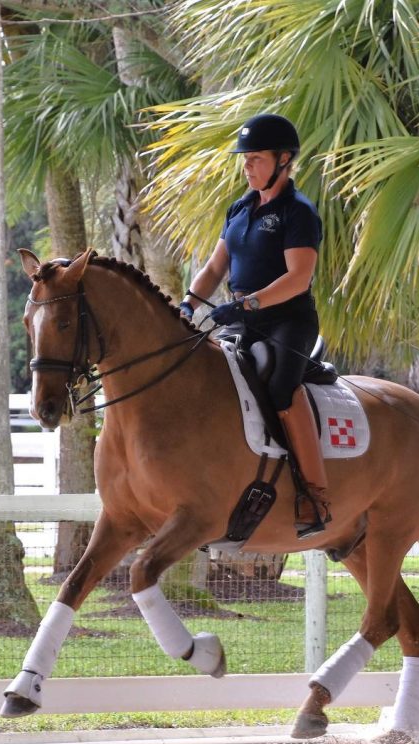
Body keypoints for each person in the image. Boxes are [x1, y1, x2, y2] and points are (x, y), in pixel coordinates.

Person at [180, 113, 330, 538]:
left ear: (284, 160)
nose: (248, 166)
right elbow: (214, 266)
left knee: (281, 389)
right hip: (241, 319)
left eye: (256, 159)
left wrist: (247, 304)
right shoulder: (240, 208)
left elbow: (298, 277)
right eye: (245, 160)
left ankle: (315, 495)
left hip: (287, 320)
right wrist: (188, 305)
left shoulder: (297, 213)